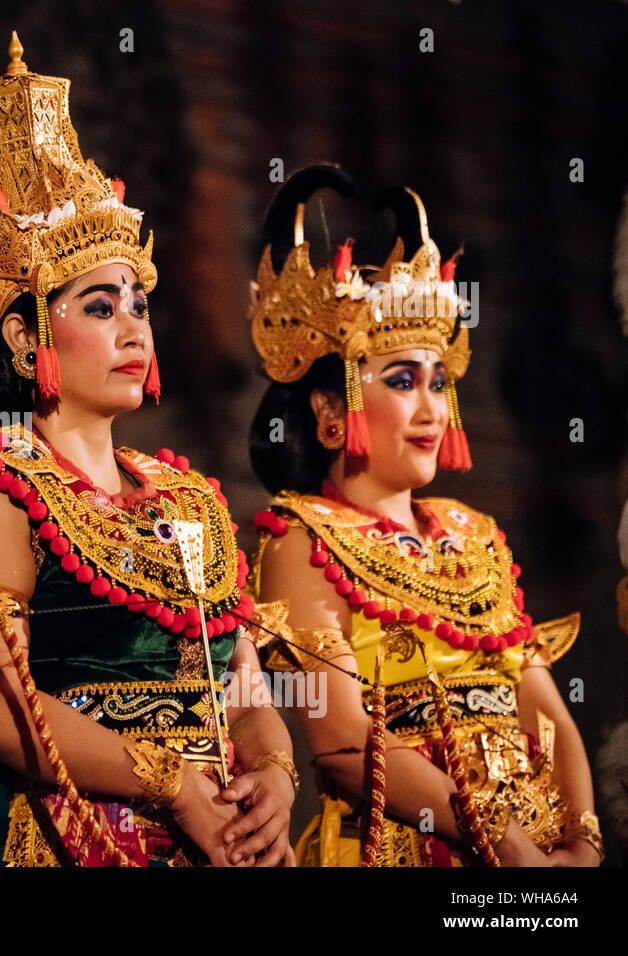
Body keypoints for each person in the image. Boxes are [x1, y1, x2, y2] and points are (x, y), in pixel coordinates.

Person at [0, 34, 296, 867]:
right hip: (71, 841)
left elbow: (239, 686)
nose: (134, 325)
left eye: (137, 304)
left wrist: (274, 775)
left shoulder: (184, 497)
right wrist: (170, 782)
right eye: (100, 307)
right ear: (29, 339)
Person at [247, 165, 601, 866]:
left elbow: (548, 713)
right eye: (403, 381)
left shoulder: (475, 533)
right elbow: (346, 747)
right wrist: (503, 847)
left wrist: (581, 845)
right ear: (327, 410)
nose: (432, 409)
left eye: (438, 383)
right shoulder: (301, 539)